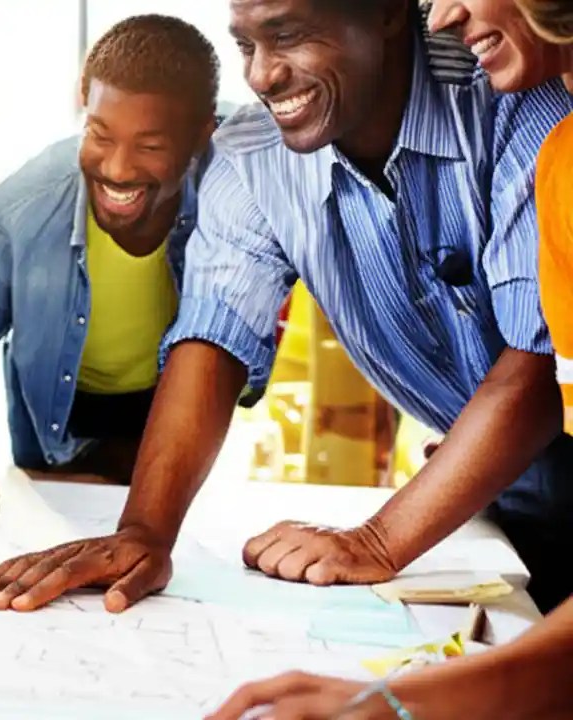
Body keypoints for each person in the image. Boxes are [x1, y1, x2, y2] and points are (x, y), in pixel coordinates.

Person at [0, 0, 573, 616]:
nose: (261, 76)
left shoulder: (517, 92)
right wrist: (145, 531)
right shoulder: (255, 155)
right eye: (245, 46)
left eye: (287, 36)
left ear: (390, 12)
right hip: (501, 491)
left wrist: (378, 540)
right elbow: (213, 334)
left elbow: (538, 367)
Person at [209, 2, 573, 717]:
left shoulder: (529, 130)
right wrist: (392, 702)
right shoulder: (562, 161)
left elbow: (528, 382)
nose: (441, 13)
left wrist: (396, 703)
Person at [0, 15, 219, 523]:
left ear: (201, 136)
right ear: (83, 105)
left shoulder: (230, 196)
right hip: (55, 415)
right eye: (100, 135)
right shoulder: (17, 212)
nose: (116, 168)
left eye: (150, 146)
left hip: (164, 402)